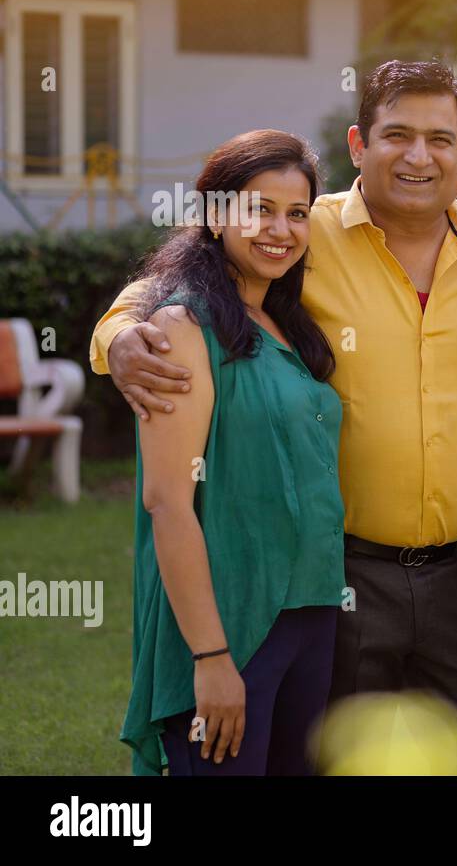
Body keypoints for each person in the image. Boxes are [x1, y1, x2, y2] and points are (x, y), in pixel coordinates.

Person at [91, 60, 457, 714]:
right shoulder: (302, 232)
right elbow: (172, 285)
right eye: (396, 134)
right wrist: (116, 337)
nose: (418, 156)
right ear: (358, 145)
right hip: (336, 573)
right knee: (333, 753)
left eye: (439, 138)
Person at [121, 130, 343, 775]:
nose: (281, 229)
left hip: (313, 611)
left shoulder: (289, 324)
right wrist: (211, 657)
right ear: (216, 217)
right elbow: (166, 502)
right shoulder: (181, 329)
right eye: (259, 209)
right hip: (231, 620)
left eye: (297, 213)